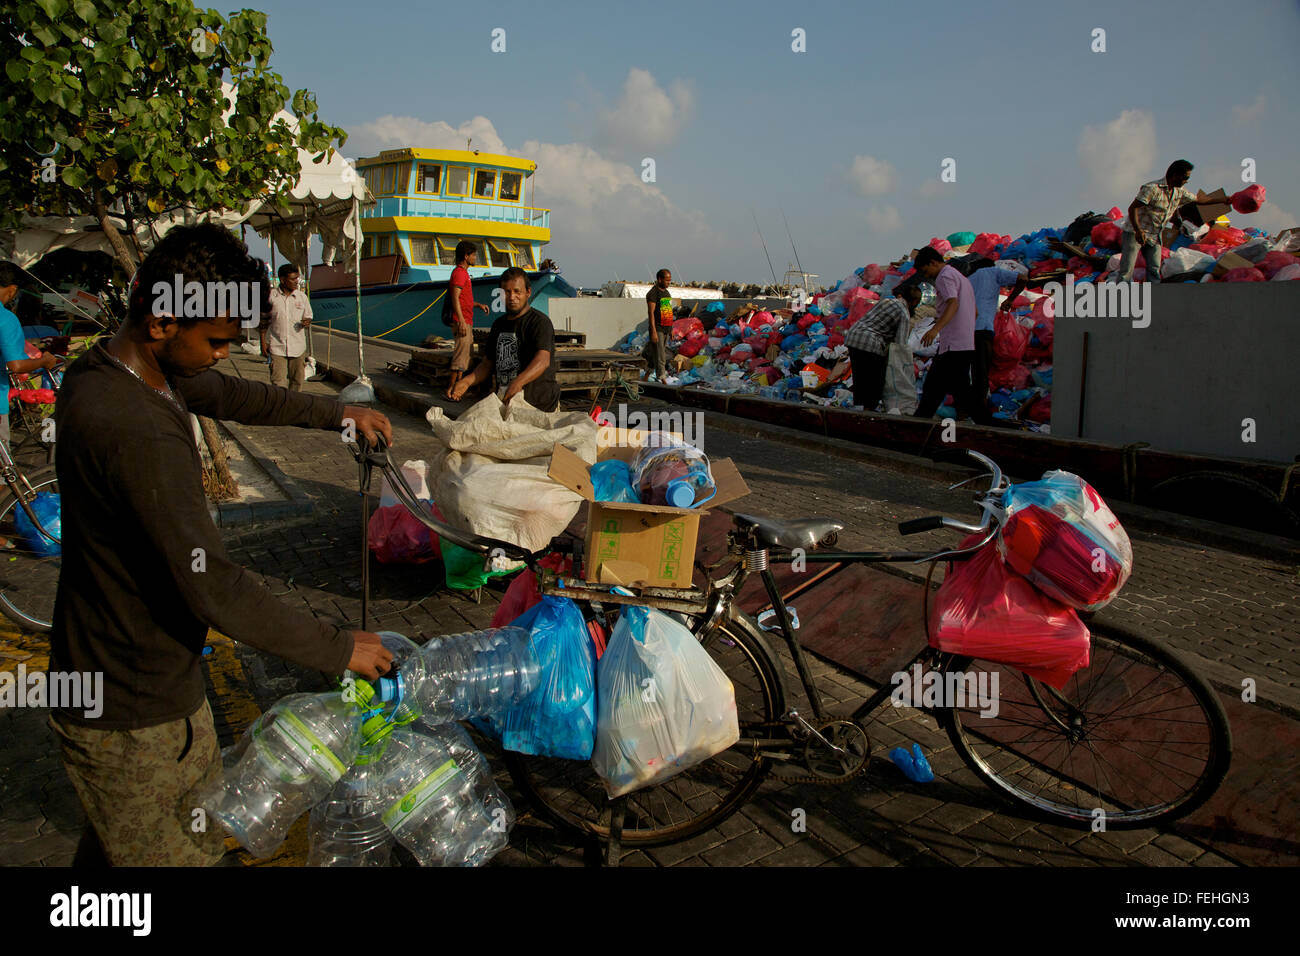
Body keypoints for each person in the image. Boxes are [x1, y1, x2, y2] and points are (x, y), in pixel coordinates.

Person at [47, 223, 395, 867]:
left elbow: (233, 393)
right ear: (162, 321)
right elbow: (211, 584)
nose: (220, 356)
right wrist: (338, 646)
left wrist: (336, 414)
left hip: (136, 678)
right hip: (133, 709)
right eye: (215, 341)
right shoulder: (134, 426)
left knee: (122, 845)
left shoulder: (127, 372)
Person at [449, 267, 559, 411]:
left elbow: (543, 360)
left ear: (528, 292)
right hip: (507, 403)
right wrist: (466, 382)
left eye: (517, 291)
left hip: (539, 406)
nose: (512, 297)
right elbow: (487, 364)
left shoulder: (540, 322)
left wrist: (518, 382)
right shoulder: (498, 325)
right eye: (507, 292)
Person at [912, 246, 990, 424]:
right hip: (964, 342)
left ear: (933, 262)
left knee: (938, 387)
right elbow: (975, 312)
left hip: (953, 344)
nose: (927, 276)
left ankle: (917, 424)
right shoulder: (961, 278)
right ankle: (987, 422)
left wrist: (934, 329)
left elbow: (952, 304)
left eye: (926, 271)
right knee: (952, 388)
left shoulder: (944, 276)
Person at [0, 262, 62, 454]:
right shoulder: (5, 319)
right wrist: (44, 361)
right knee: (4, 476)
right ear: (12, 290)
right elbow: (16, 365)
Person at [844, 283, 921, 411]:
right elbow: (900, 345)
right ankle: (869, 411)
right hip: (869, 343)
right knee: (876, 380)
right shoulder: (904, 313)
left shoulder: (887, 301)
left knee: (860, 378)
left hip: (853, 337)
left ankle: (859, 409)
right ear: (914, 302)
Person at [1119, 160, 1196, 283]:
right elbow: (1133, 208)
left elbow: (1198, 200)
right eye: (1185, 177)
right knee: (1127, 269)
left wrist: (1224, 199)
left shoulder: (1179, 191)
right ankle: (1122, 297)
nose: (1187, 181)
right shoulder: (1152, 188)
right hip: (1135, 232)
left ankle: (1154, 297)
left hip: (1154, 235)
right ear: (1175, 175)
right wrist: (1138, 231)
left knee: (1154, 268)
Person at [967, 258, 1027, 404]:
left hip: (967, 330)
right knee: (982, 371)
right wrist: (1010, 299)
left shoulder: (967, 279)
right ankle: (980, 408)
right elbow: (1023, 278)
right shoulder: (993, 272)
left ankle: (967, 407)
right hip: (984, 327)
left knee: (972, 370)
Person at [445, 240, 489, 400]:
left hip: (465, 319)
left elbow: (464, 299)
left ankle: (457, 389)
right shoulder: (459, 273)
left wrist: (478, 305)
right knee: (460, 359)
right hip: (461, 321)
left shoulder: (463, 274)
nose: (475, 257)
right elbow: (455, 297)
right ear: (466, 256)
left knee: (465, 358)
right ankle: (451, 390)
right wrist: (461, 321)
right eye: (474, 254)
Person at [261, 263, 313, 391]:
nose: (297, 282)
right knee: (278, 384)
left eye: (297, 278)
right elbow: (263, 321)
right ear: (283, 280)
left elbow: (308, 316)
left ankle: (294, 409)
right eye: (293, 279)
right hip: (277, 347)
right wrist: (262, 342)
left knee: (297, 383)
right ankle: (281, 409)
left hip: (298, 348)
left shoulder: (302, 297)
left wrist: (306, 322)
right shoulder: (271, 297)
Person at [644, 268, 675, 382]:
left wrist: (671, 329)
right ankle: (663, 379)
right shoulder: (653, 293)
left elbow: (668, 311)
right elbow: (650, 313)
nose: (668, 282)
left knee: (655, 354)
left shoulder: (666, 292)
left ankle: (646, 376)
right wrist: (653, 331)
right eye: (666, 280)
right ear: (659, 279)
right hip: (658, 328)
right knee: (661, 356)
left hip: (666, 328)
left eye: (669, 280)